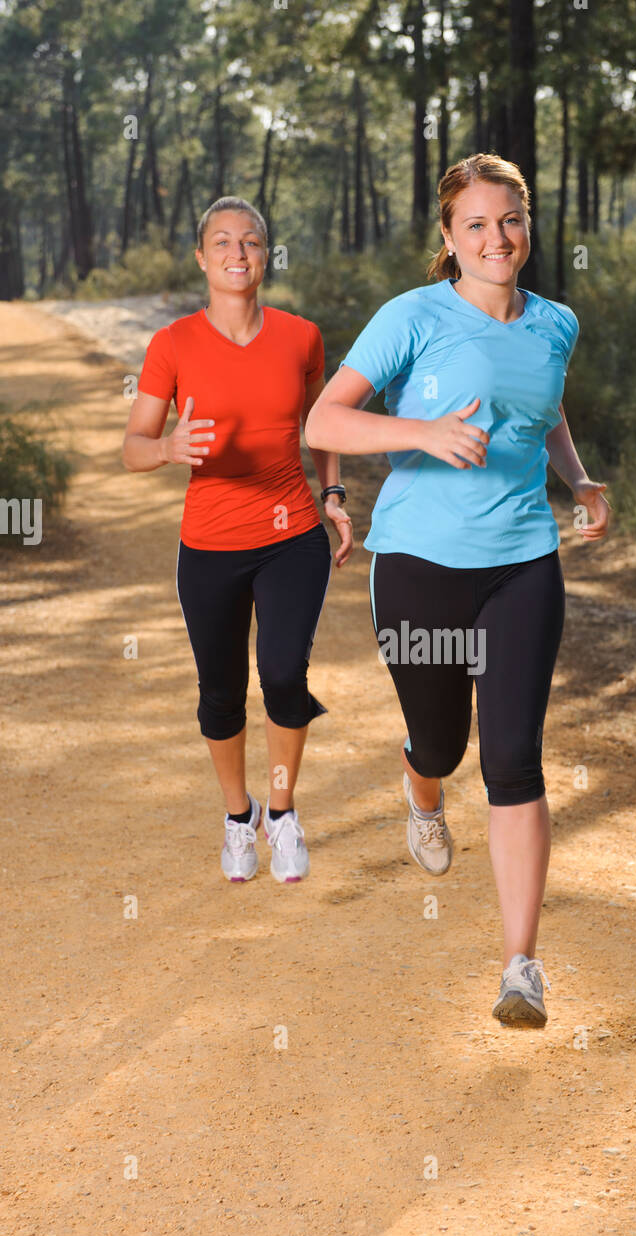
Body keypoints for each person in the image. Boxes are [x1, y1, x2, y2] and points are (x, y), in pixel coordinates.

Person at [306, 154, 610, 1026]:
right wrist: (422, 432)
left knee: (513, 759)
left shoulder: (556, 322)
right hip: (418, 564)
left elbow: (542, 408)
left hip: (521, 564)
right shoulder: (412, 316)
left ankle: (521, 966)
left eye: (508, 220)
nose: (495, 239)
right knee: (441, 745)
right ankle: (421, 787)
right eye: (474, 225)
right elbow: (324, 419)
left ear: (528, 223)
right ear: (448, 239)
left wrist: (578, 481)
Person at [122, 197, 352, 884]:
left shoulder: (301, 337)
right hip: (210, 544)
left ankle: (281, 813)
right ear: (201, 257)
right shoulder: (171, 345)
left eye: (250, 241)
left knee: (283, 675)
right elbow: (131, 447)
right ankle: (237, 816)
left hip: (291, 539)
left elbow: (321, 426)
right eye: (221, 241)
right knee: (219, 692)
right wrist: (166, 447)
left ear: (265, 255)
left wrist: (332, 495)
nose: (237, 253)